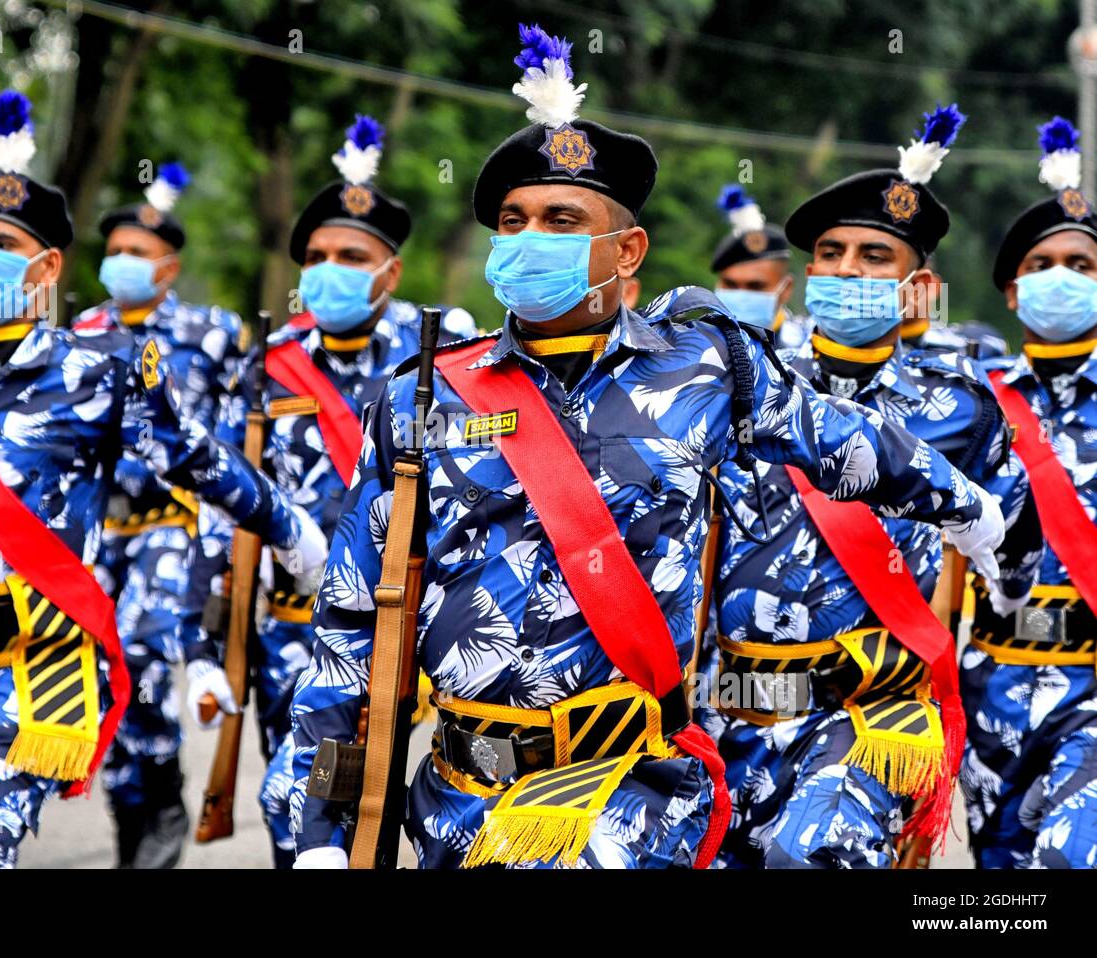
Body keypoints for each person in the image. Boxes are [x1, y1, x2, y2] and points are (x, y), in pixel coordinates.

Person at [287, 26, 1005, 870]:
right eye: (514, 220)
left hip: (626, 793)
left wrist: (967, 507)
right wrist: (322, 830)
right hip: (458, 800)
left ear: (626, 251)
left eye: (561, 218)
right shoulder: (422, 393)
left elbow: (841, 437)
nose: (530, 236)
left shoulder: (705, 362)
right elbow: (351, 625)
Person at [0, 90, 323, 869]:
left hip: (35, 667)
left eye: (0, 243)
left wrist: (286, 525)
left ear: (46, 266)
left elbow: (194, 458)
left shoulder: (97, 372)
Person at [704, 103, 1042, 868]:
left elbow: (1014, 544)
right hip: (724, 719)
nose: (849, 269)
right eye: (831, 252)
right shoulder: (731, 387)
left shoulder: (959, 409)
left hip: (866, 720)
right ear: (807, 275)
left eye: (875, 257)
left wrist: (1009, 589)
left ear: (918, 289)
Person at [184, 113, 474, 867]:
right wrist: (204, 642)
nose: (329, 270)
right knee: (306, 812)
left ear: (390, 272)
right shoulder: (269, 364)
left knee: (412, 808)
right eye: (316, 257)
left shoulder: (440, 353)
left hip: (410, 628)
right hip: (293, 633)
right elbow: (226, 508)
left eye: (352, 255)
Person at [73, 160, 250, 868]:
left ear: (169, 269)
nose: (121, 263)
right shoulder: (80, 328)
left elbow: (233, 435)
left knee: (143, 657)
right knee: (90, 671)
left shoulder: (212, 333)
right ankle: (132, 816)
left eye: (137, 255)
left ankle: (163, 801)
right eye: (113, 251)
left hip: (170, 527)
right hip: (93, 529)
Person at [961, 116, 1097, 868]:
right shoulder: (972, 403)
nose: (1061, 278)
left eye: (1082, 264)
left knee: (1072, 857)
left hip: (1093, 685)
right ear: (1014, 294)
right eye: (1043, 265)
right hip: (996, 689)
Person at [709, 184, 811, 349]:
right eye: (730, 284)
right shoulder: (695, 343)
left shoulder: (805, 350)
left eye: (755, 286)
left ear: (786, 289)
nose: (741, 296)